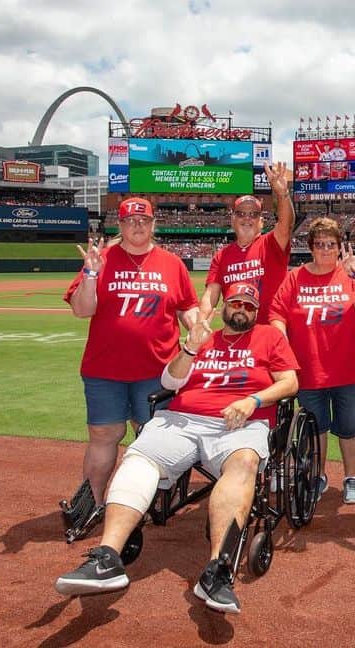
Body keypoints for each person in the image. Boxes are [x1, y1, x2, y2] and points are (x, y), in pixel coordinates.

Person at [54, 282, 300, 614]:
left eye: (249, 306)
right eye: (237, 303)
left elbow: (290, 382)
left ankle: (218, 571)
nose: (242, 309)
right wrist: (190, 348)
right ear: (225, 306)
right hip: (183, 418)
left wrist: (251, 401)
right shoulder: (203, 336)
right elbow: (170, 383)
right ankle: (107, 557)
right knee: (140, 457)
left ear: (256, 312)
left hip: (240, 422)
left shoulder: (270, 337)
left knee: (243, 464)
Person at [62, 196, 199, 532]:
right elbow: (82, 309)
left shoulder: (171, 263)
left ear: (153, 224)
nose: (138, 225)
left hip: (156, 370)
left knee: (150, 439)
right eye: (130, 220)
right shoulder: (101, 259)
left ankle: (142, 501)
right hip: (104, 368)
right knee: (104, 434)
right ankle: (92, 504)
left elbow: (186, 308)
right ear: (119, 225)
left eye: (144, 220)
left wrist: (198, 329)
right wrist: (91, 274)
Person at [269, 218, 355, 505]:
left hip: (349, 367)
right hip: (309, 369)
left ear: (339, 247)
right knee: (316, 428)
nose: (326, 249)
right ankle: (318, 475)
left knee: (350, 426)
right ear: (311, 247)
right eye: (320, 244)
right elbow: (277, 313)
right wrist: (282, 345)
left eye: (331, 244)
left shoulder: (352, 276)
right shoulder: (295, 277)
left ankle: (351, 477)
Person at [199, 162, 294, 323]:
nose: (247, 218)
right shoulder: (222, 256)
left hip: (270, 333)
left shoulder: (271, 243)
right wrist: (200, 322)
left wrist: (282, 193)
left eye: (253, 214)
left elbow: (287, 223)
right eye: (241, 213)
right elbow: (211, 295)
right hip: (237, 333)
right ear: (232, 220)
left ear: (262, 222)